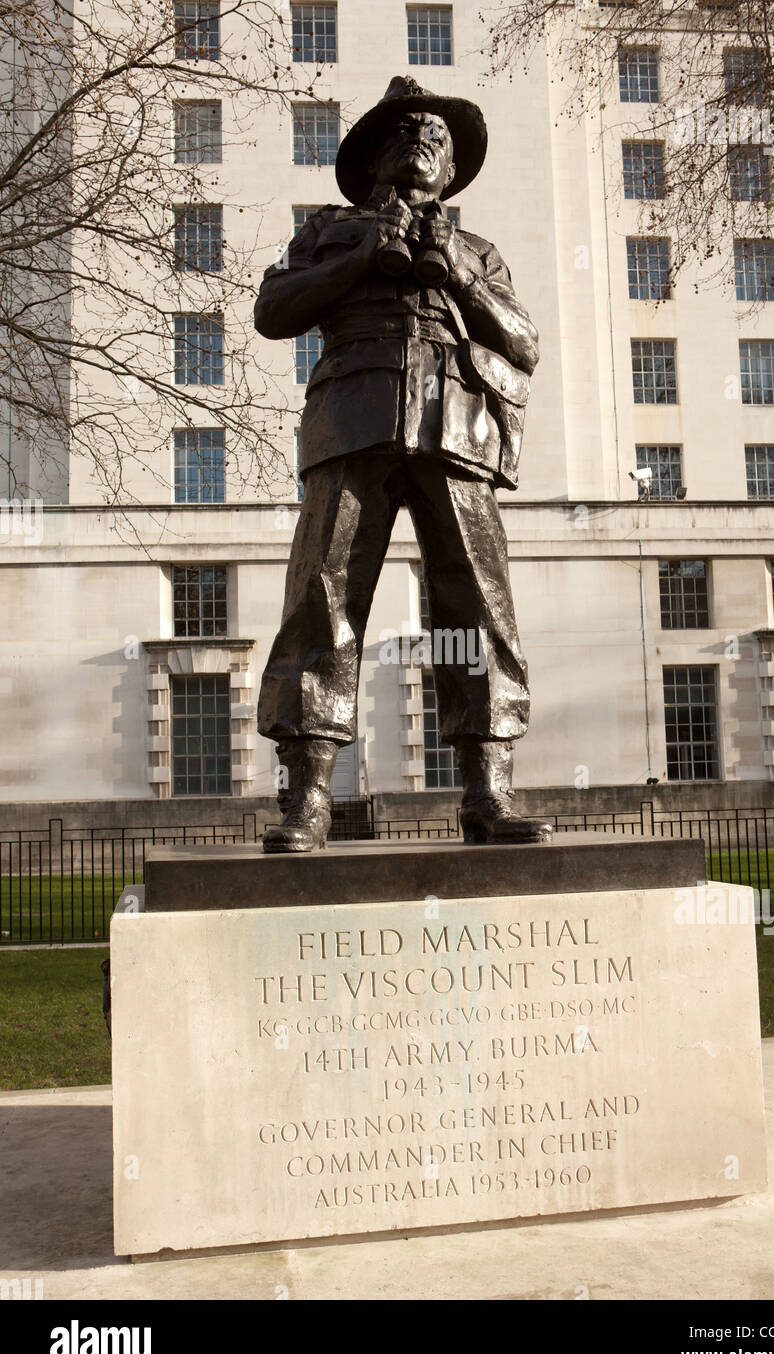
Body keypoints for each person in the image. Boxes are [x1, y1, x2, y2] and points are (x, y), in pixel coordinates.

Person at [255, 75, 552, 852]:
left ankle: (488, 790)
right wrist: (359, 263)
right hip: (352, 418)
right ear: (377, 154)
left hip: (457, 429)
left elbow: (523, 344)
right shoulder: (329, 229)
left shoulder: (476, 249)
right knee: (323, 597)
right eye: (410, 129)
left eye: (441, 137)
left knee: (477, 605)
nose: (426, 139)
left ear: (452, 171)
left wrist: (453, 271)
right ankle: (309, 796)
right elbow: (273, 312)